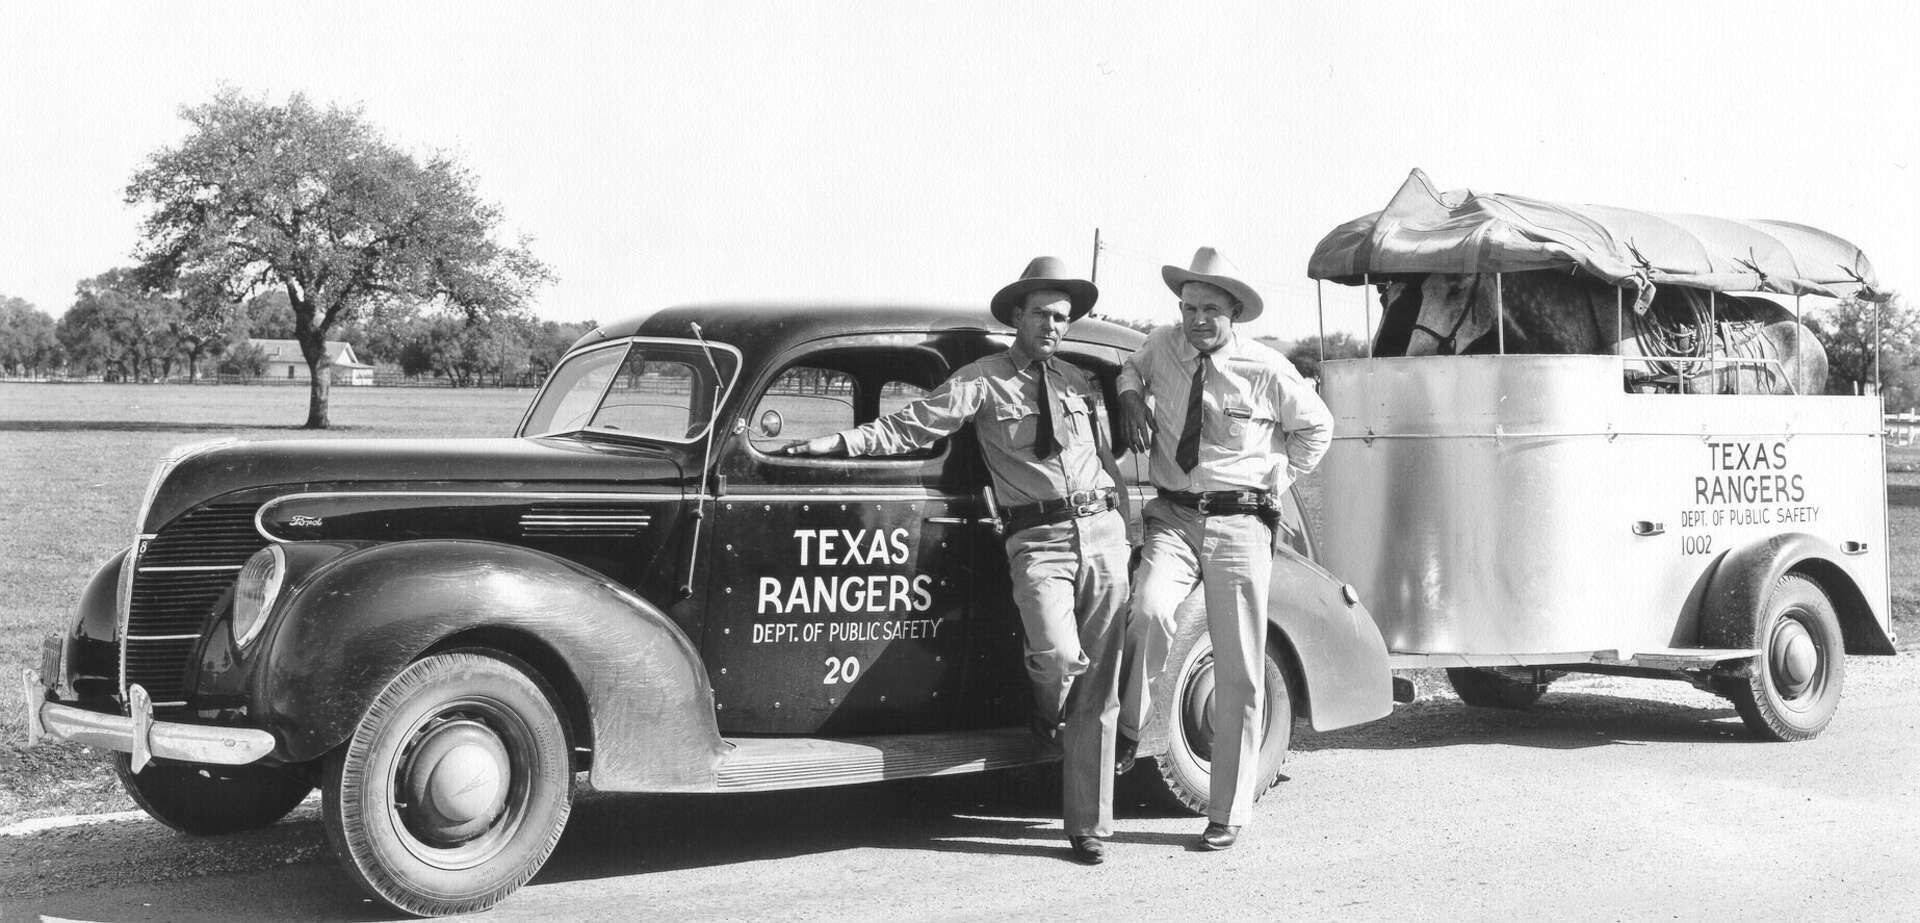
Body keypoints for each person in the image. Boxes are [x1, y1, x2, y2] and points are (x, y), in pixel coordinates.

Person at [783, 256, 1131, 865]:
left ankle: (1089, 825)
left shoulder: (1077, 381)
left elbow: (1104, 459)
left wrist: (1123, 524)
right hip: (1039, 537)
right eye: (1043, 314)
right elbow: (914, 425)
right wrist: (836, 441)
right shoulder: (984, 379)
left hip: (1104, 534)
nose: (1054, 325)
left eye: (1064, 318)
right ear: (1017, 316)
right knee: (1056, 655)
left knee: (1099, 686)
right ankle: (1044, 713)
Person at [1116, 247, 1332, 851]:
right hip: (1176, 517)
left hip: (1240, 524)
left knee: (1238, 665)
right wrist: (1132, 394)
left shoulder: (1267, 368)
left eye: (1210, 309)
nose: (1196, 320)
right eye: (1188, 307)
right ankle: (1130, 732)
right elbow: (1128, 369)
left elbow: (1317, 426)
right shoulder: (1161, 346)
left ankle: (1227, 810)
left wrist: (1279, 479)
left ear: (1234, 311)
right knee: (1149, 607)